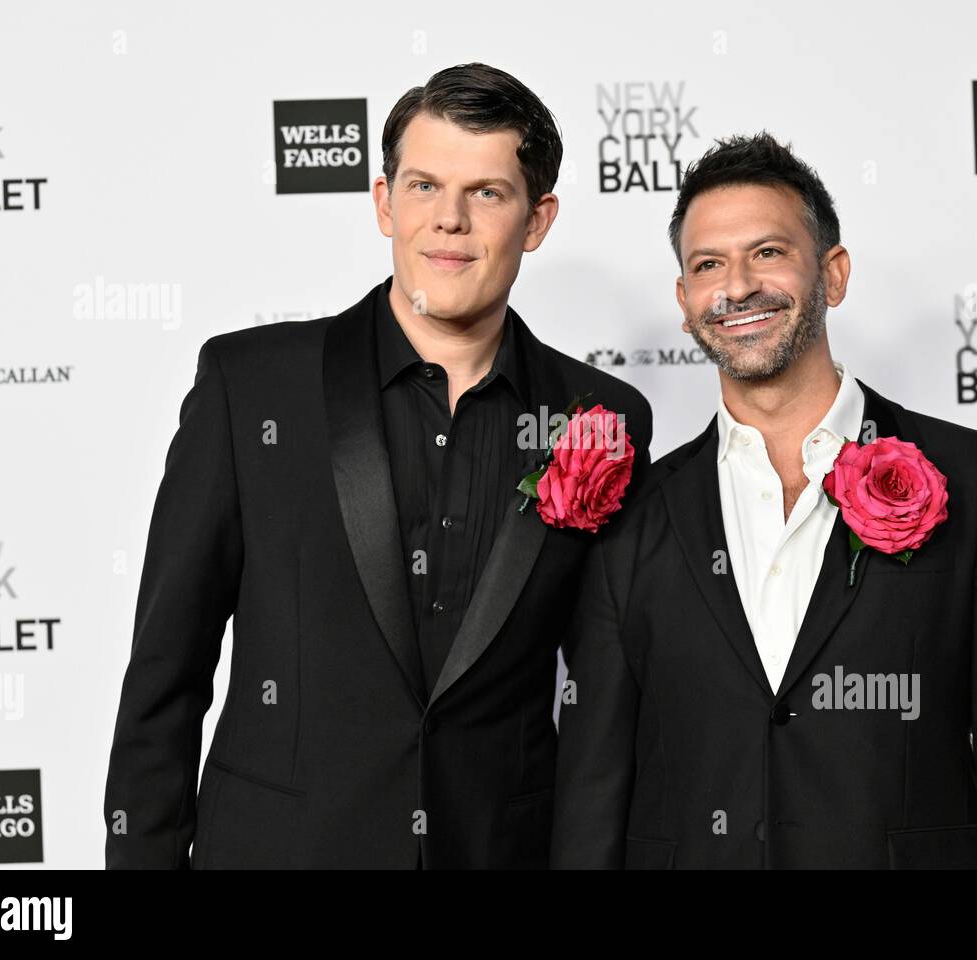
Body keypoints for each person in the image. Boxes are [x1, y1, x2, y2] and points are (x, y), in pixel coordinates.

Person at [104, 62, 651, 868]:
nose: (450, 221)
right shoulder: (252, 385)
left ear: (537, 220)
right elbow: (165, 670)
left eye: (487, 194)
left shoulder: (600, 418)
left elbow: (604, 701)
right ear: (384, 202)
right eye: (425, 186)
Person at [550, 131, 977, 868]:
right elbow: (592, 788)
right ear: (684, 300)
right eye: (709, 265)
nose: (737, 287)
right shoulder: (633, 514)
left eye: (768, 253)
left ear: (832, 273)